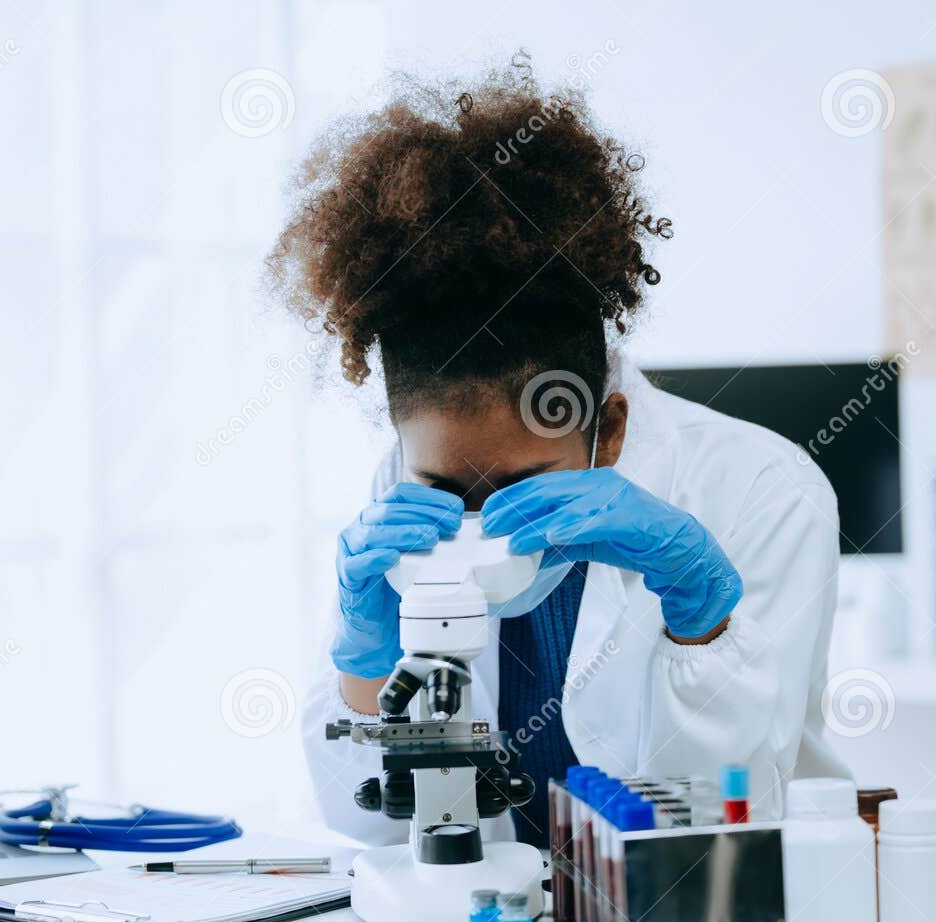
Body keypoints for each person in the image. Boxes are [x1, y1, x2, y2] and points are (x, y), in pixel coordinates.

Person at [268, 58, 846, 848]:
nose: (483, 516)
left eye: (521, 483)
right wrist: (365, 664)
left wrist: (702, 622)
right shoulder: (401, 491)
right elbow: (363, 822)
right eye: (447, 484)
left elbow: (717, 826)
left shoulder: (763, 489)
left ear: (608, 425)